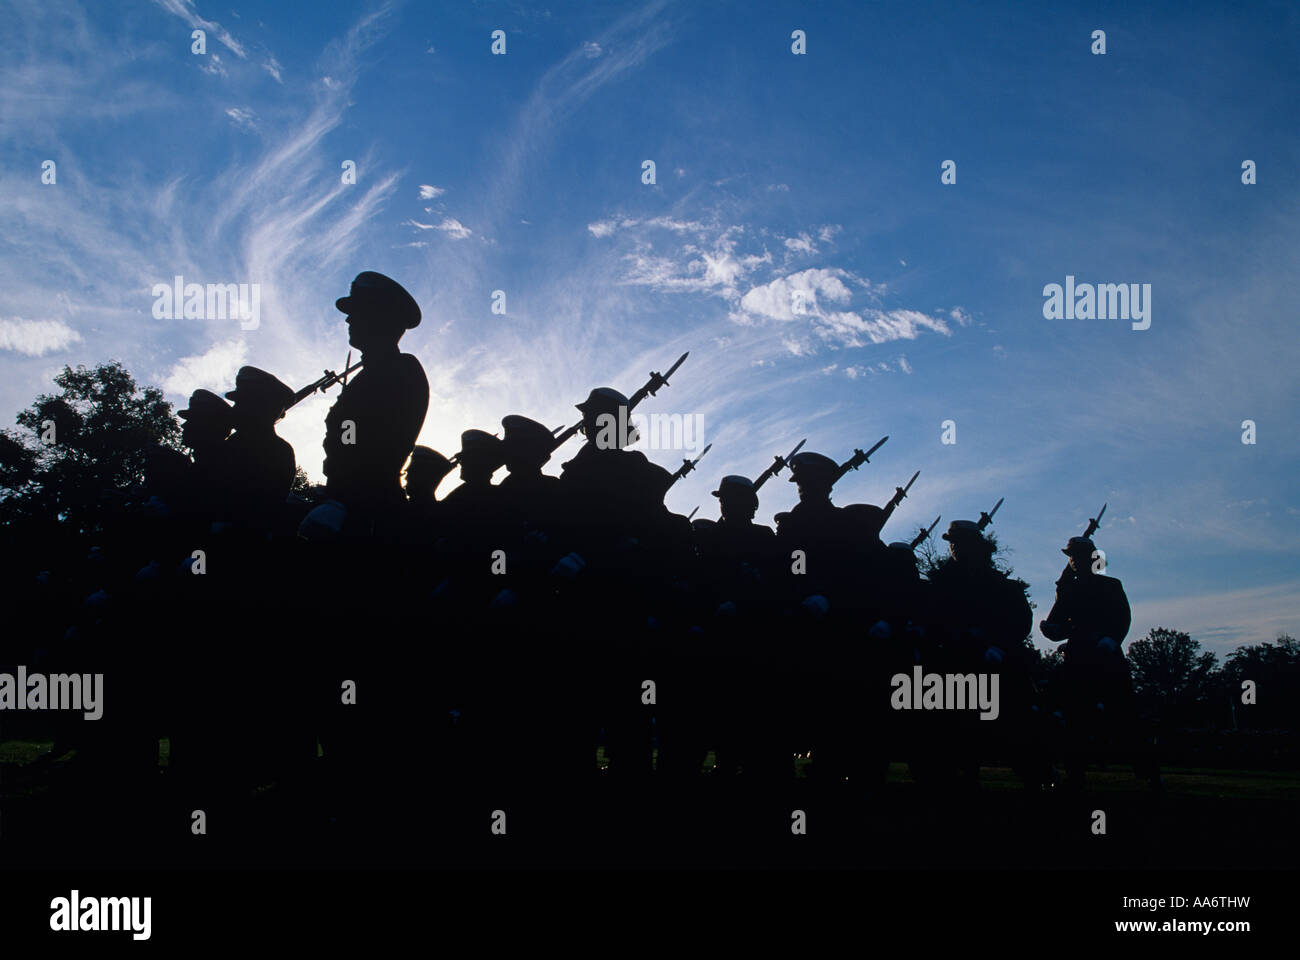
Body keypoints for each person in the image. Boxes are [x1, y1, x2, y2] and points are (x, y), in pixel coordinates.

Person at [1040, 536, 1156, 790]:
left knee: (1125, 716)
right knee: (1075, 720)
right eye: (1071, 557)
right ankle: (1075, 774)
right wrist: (1050, 629)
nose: (1073, 561)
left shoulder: (1111, 586)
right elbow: (1058, 625)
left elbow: (1122, 618)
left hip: (1106, 658)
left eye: (1077, 556)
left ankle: (1148, 772)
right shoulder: (1068, 590)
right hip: (1078, 658)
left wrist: (1111, 640)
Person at [322, 271, 429, 522]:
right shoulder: (374, 372)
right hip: (351, 502)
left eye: (358, 311)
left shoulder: (398, 370)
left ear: (380, 318)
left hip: (367, 511)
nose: (348, 319)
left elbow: (377, 450)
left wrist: (345, 502)